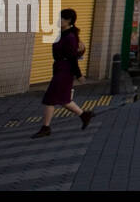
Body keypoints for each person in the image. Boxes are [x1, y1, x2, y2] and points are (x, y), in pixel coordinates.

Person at [32, 9, 94, 138]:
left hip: (65, 70)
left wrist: (79, 75)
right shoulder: (62, 34)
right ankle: (84, 115)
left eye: (61, 18)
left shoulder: (70, 37)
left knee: (50, 99)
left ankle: (46, 128)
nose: (58, 21)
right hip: (59, 68)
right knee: (64, 99)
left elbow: (72, 58)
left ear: (69, 21)